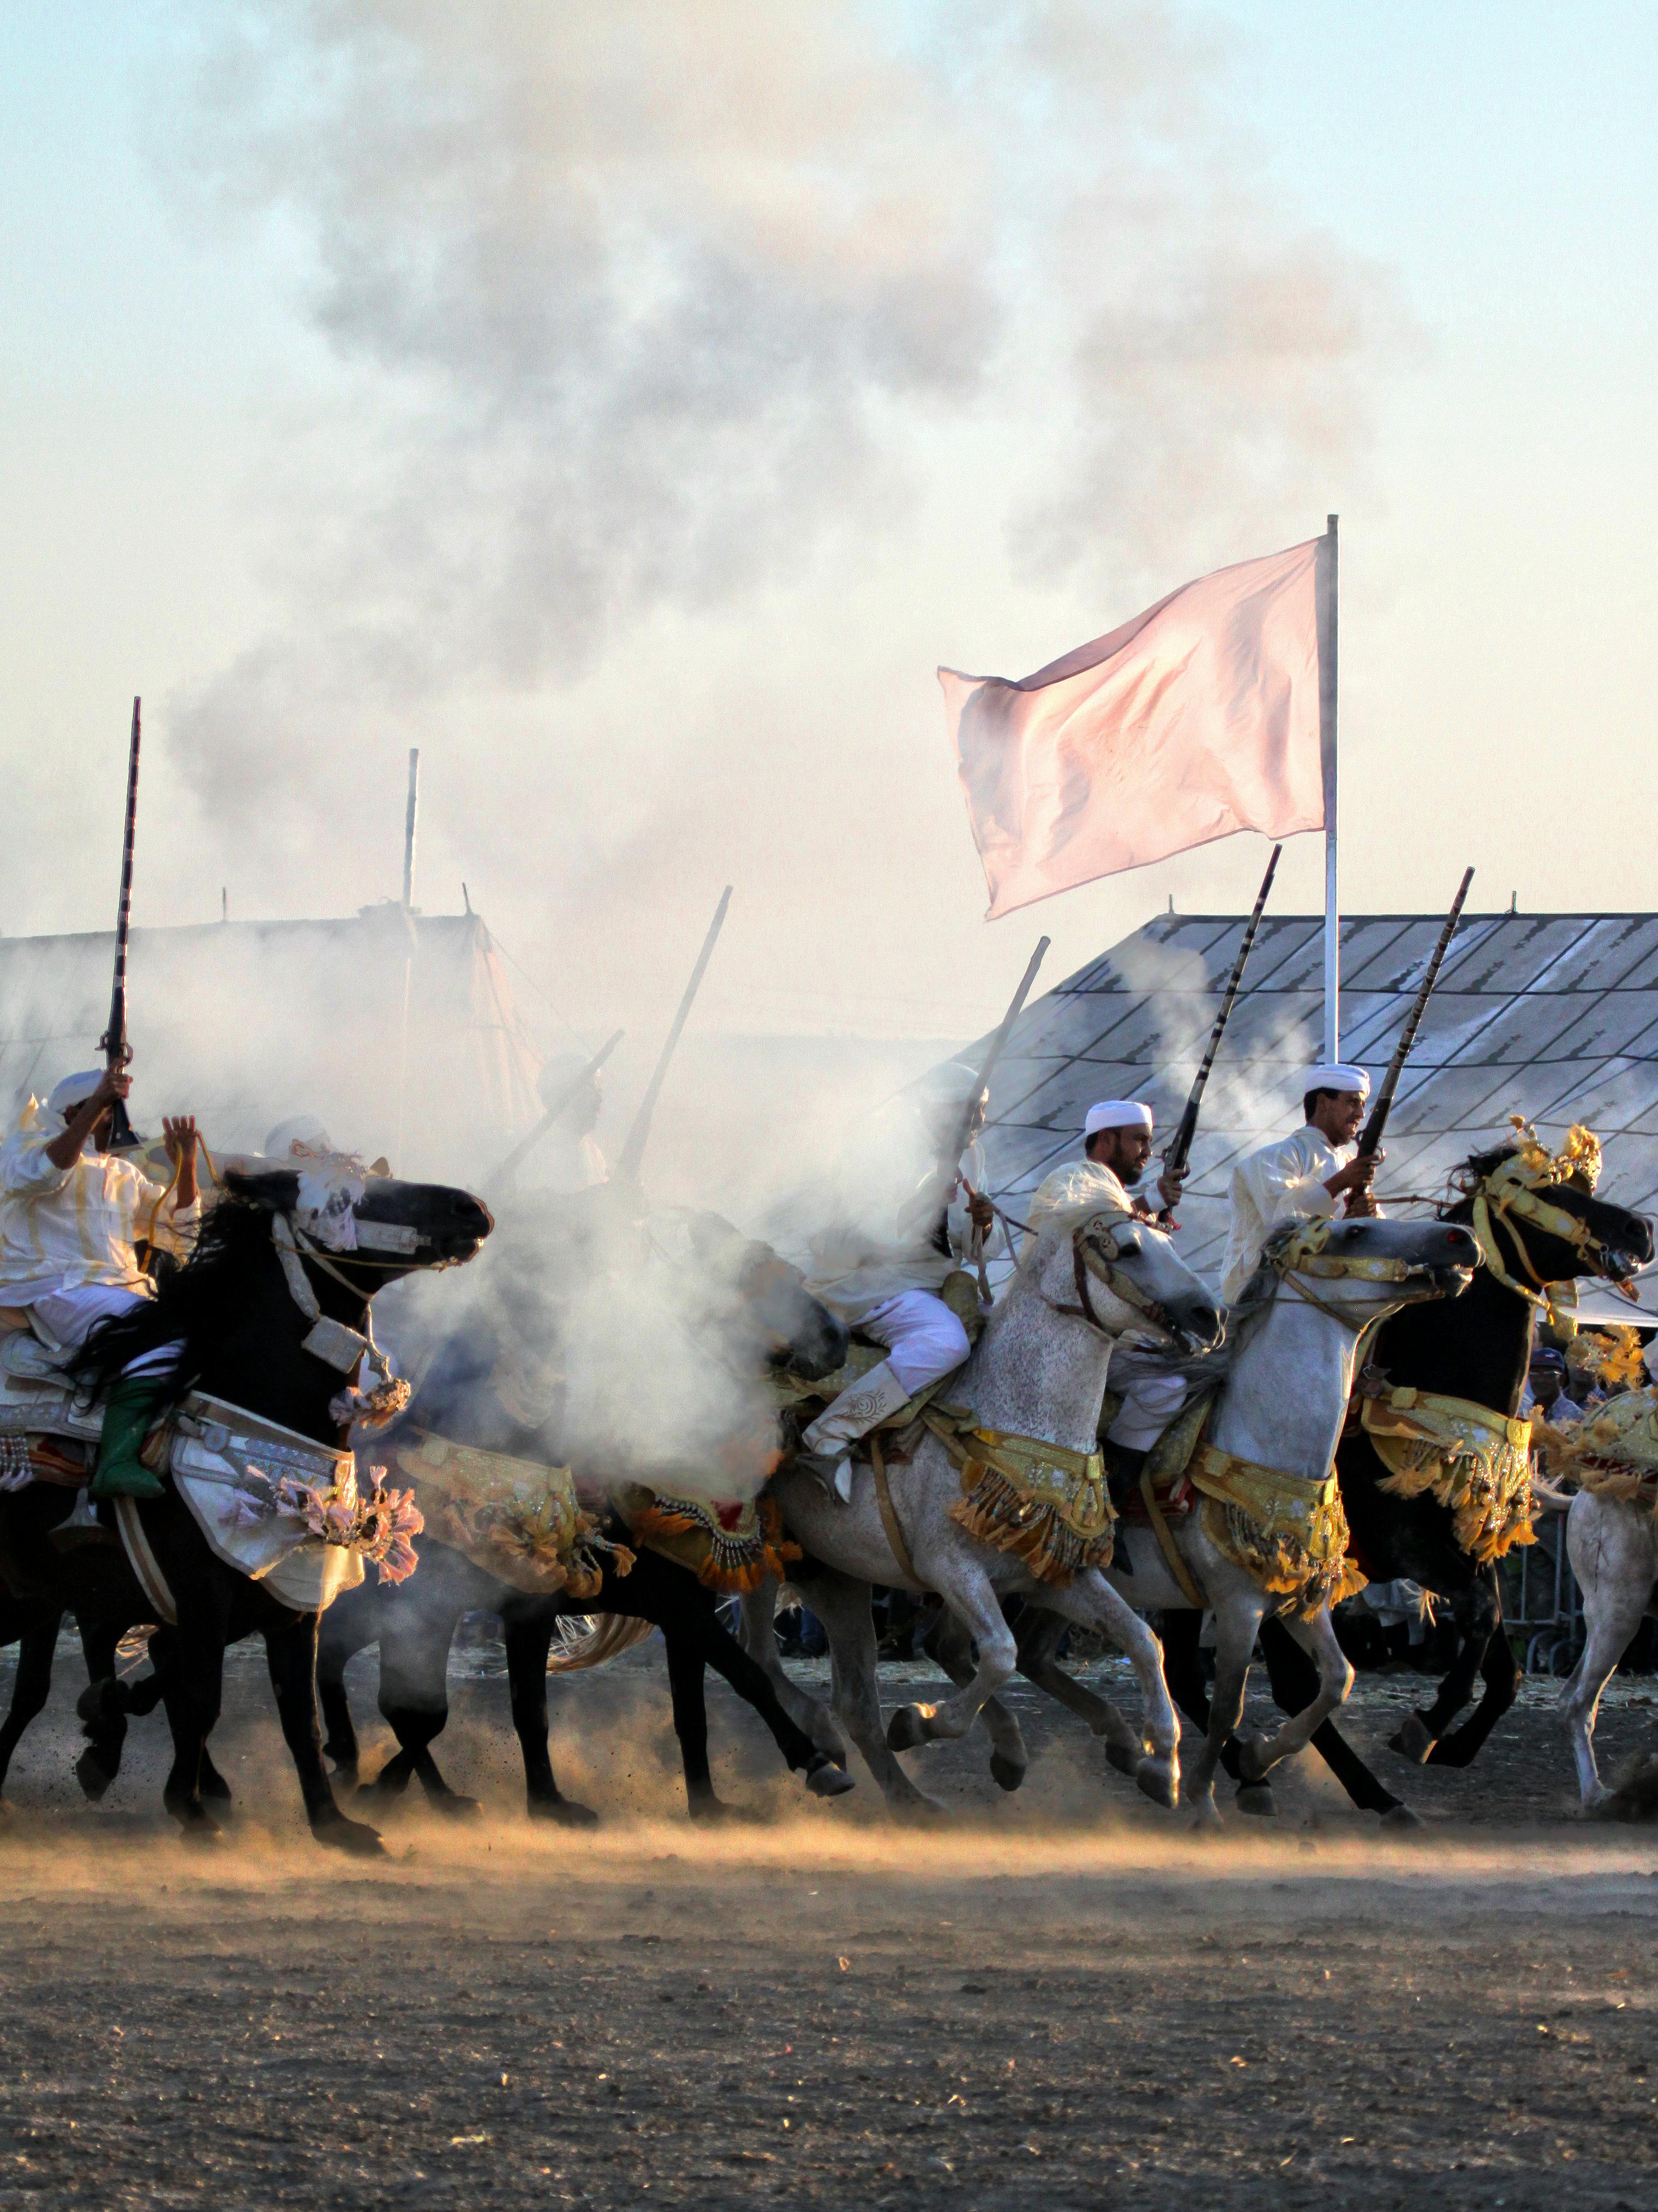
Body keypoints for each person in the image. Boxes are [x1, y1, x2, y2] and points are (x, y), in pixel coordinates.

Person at [797, 1062, 999, 1498]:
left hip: (933, 1284)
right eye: (968, 1112)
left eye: (981, 1111)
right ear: (936, 1113)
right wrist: (918, 1206)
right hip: (875, 1284)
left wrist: (982, 1226)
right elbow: (846, 1241)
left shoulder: (972, 1153)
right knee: (945, 1343)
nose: (978, 1122)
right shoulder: (881, 1155)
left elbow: (967, 1244)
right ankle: (831, 1433)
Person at [0, 1068, 199, 1498]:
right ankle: (116, 1461)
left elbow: (182, 1235)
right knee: (162, 1332)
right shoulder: (26, 1147)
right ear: (75, 1111)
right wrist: (97, 1103)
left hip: (120, 1292)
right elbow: (43, 1174)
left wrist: (187, 1164)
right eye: (107, 1122)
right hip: (53, 1287)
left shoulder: (124, 1174)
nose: (111, 1135)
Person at [1023, 1101, 1190, 1459]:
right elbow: (1090, 1230)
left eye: (1148, 1142)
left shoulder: (1110, 1189)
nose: (1147, 1152)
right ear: (1104, 1140)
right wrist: (1149, 1202)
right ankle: (1109, 1482)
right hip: (1054, 1333)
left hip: (1097, 1332)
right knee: (1165, 1387)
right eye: (1138, 1141)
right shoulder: (1073, 1177)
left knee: (1175, 1378)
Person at [1219, 1062, 1380, 1304]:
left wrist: (1367, 1215)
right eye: (1352, 1102)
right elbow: (1283, 1222)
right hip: (1265, 1300)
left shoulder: (1349, 1164)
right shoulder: (1272, 1158)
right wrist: (1342, 1181)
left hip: (1328, 1294)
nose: (1361, 1114)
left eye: (1363, 1105)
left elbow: (1368, 1243)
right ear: (1324, 1102)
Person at [522, 1054, 608, 1197]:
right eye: (589, 1090)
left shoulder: (594, 1155)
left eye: (598, 1089)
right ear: (560, 1098)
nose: (599, 1099)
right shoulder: (534, 1156)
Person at [1523, 1347, 1583, 1426]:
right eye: (1535, 1374)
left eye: (1549, 1374)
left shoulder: (1573, 1415)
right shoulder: (1524, 1411)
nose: (1541, 1380)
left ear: (1562, 1380)